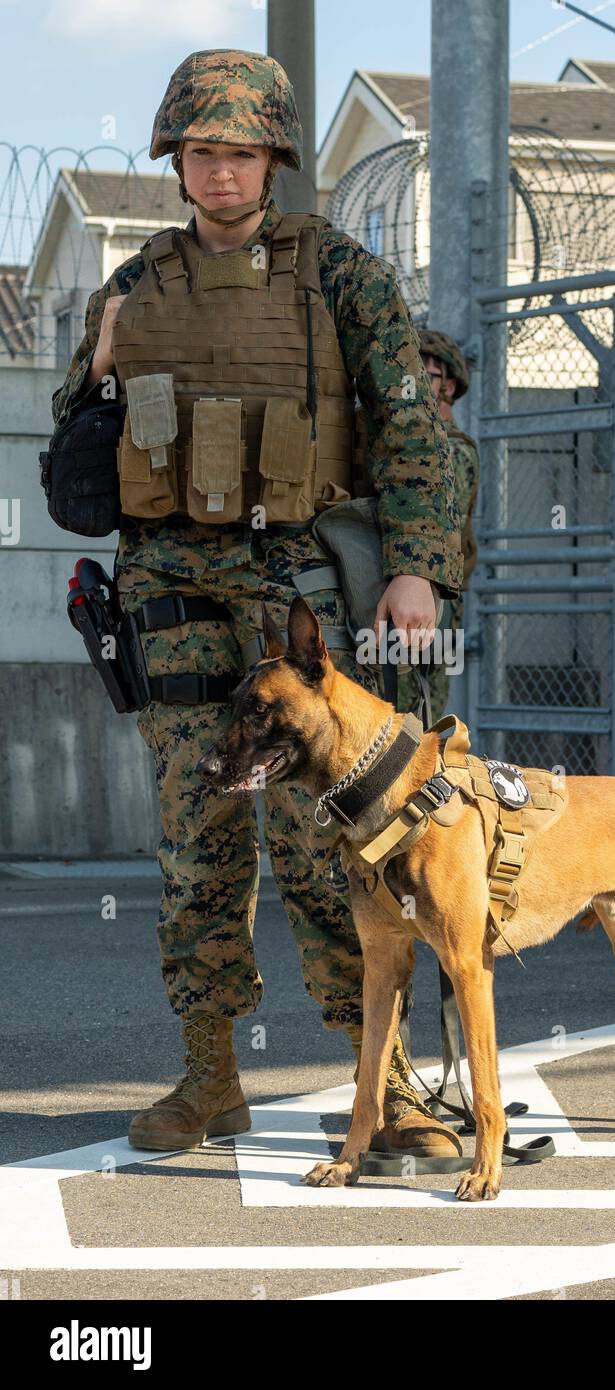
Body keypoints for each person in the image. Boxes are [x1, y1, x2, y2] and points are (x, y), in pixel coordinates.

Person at [52, 48, 463, 1158]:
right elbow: (76, 458)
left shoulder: (341, 275)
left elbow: (413, 429)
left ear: (272, 158)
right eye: (200, 152)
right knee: (197, 852)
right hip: (176, 597)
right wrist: (95, 367)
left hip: (303, 606)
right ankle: (208, 1078)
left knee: (337, 850)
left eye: (238, 151)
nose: (219, 171)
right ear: (175, 161)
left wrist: (419, 562)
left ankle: (396, 1090)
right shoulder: (132, 283)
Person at [396, 329, 479, 725]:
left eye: (425, 374)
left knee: (419, 726)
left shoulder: (454, 451)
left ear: (448, 385)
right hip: (394, 606)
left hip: (434, 608)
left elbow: (439, 525)